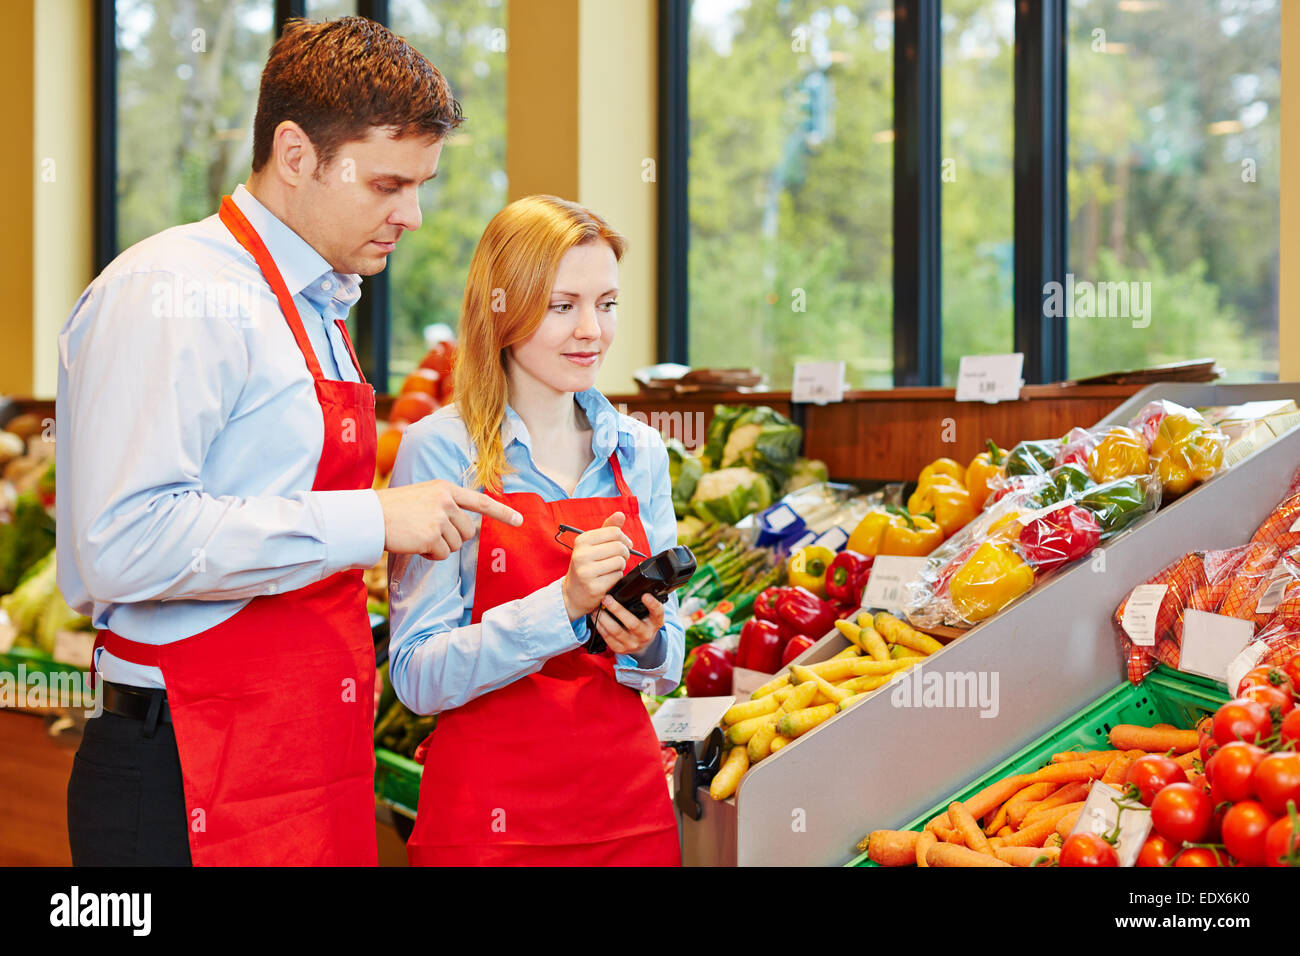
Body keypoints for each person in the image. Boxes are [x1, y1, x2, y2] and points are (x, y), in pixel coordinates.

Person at [56, 17, 521, 867]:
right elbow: (123, 544)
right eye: (388, 184)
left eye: (420, 185)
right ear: (297, 153)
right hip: (183, 771)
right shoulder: (175, 291)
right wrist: (371, 520)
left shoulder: (317, 301)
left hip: (299, 756)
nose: (412, 215)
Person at [388, 195, 684, 866]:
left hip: (627, 818)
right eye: (562, 306)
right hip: (487, 826)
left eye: (606, 304)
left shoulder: (640, 454)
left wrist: (648, 646)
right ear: (504, 310)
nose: (592, 331)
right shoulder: (440, 452)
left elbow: (670, 663)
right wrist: (564, 607)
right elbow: (415, 675)